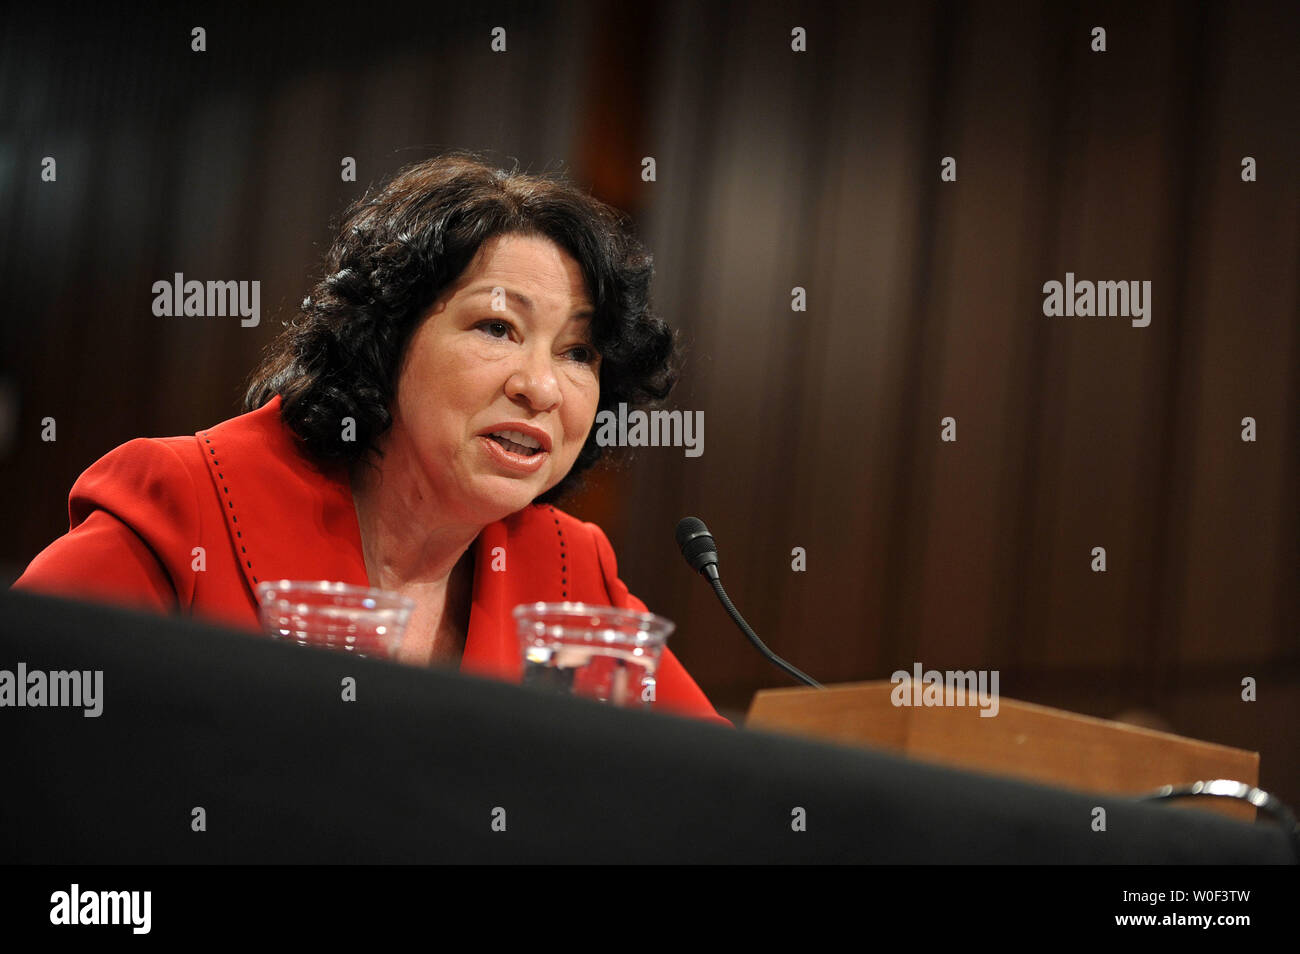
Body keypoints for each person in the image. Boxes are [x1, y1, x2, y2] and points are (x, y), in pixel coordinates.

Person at [14, 152, 728, 726]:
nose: (541, 388)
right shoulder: (185, 505)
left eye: (579, 353)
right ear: (386, 341)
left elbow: (714, 796)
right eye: (497, 328)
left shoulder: (574, 573)